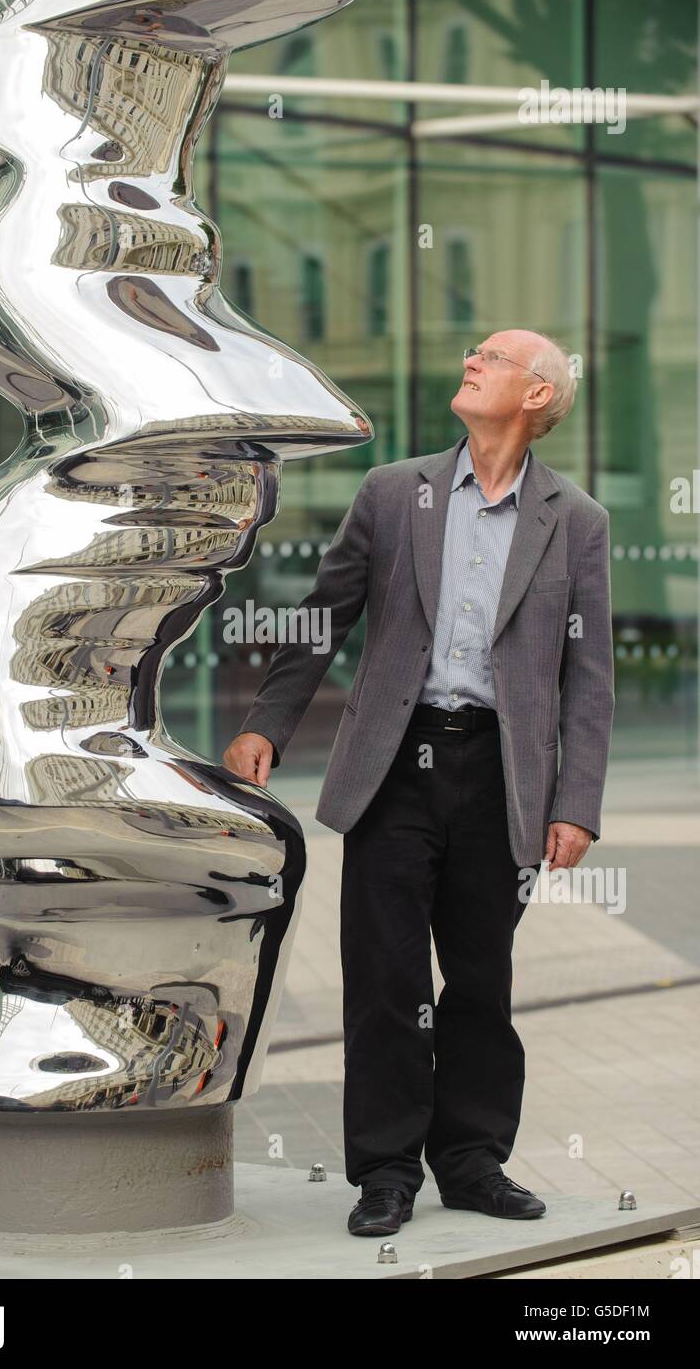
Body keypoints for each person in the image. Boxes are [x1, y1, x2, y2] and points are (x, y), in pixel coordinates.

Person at [222, 329, 614, 1236]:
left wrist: (577, 803)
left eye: (494, 358)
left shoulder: (577, 521)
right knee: (385, 978)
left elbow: (586, 682)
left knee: (480, 980)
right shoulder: (396, 493)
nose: (471, 361)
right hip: (394, 769)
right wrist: (265, 723)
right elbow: (324, 618)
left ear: (538, 397)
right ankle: (387, 1173)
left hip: (501, 779)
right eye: (472, 352)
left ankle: (473, 1162)